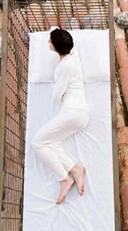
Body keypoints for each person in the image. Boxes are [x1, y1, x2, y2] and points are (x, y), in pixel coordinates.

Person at [31, 28, 88, 205]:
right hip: (80, 114)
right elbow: (56, 31)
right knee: (51, 142)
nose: (48, 42)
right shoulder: (72, 56)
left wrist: (57, 93)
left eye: (50, 41)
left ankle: (64, 178)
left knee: (37, 142)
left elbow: (57, 94)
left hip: (72, 112)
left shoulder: (65, 66)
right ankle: (75, 169)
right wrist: (55, 31)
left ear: (56, 46)